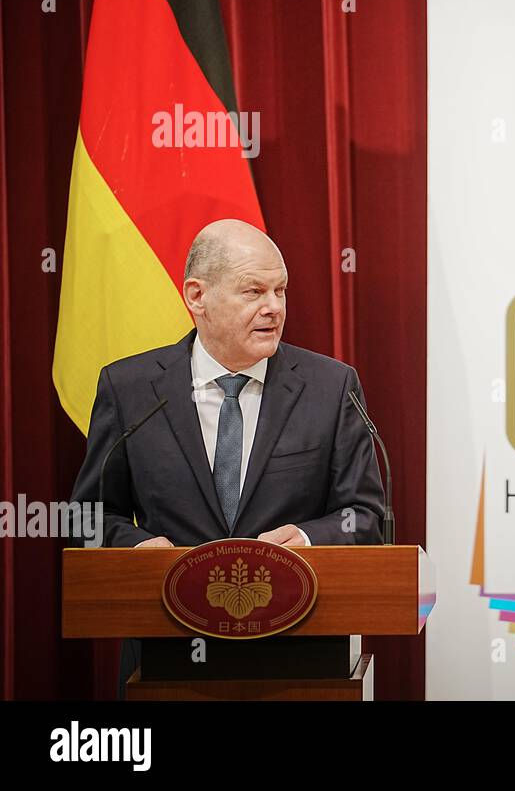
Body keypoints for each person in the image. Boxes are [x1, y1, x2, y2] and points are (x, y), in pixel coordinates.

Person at [67, 219, 386, 695]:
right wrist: (134, 549)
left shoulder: (331, 387)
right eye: (253, 291)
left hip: (302, 659)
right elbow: (87, 518)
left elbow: (366, 517)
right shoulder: (130, 390)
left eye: (281, 291)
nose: (273, 308)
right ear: (197, 296)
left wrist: (306, 537)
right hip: (167, 657)